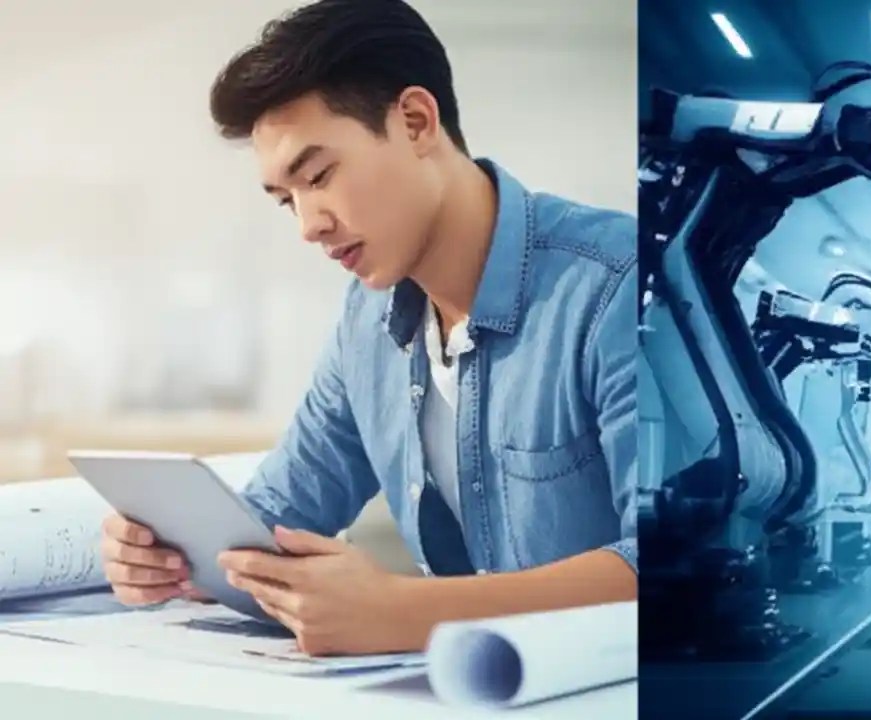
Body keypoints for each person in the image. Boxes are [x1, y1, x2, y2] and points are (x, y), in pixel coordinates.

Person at [97, 0, 636, 656]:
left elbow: (670, 563)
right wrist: (175, 556)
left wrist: (410, 611)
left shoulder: (616, 285)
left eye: (319, 176)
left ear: (415, 121)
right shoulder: (367, 319)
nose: (308, 224)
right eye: (285, 200)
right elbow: (280, 518)